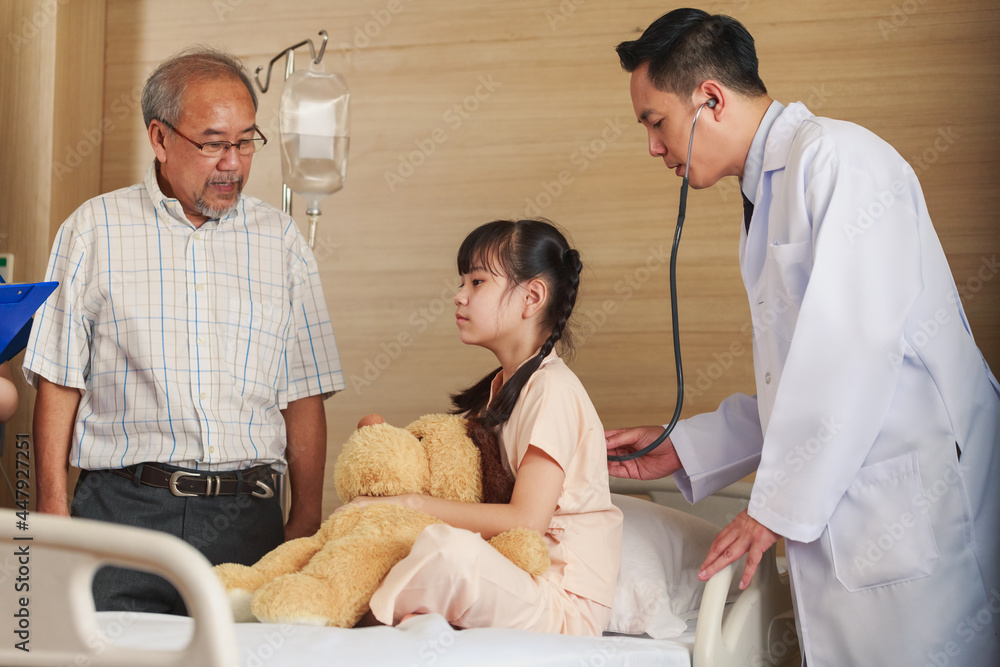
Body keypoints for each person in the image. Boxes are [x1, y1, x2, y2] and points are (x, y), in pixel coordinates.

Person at [604, 9, 1000, 666]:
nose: (653, 146)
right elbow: (799, 388)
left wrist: (775, 509)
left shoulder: (841, 161)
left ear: (709, 99)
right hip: (868, 509)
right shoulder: (771, 191)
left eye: (655, 122)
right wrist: (686, 447)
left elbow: (853, 352)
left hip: (916, 504)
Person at [23, 48, 345, 614]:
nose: (233, 163)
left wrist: (305, 519)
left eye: (245, 142)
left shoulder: (282, 243)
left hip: (250, 520)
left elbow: (304, 393)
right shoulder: (93, 231)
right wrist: (51, 513)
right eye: (213, 142)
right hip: (122, 517)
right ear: (160, 138)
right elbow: (58, 382)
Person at [351, 219, 622, 636]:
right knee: (404, 546)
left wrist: (407, 505)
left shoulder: (554, 390)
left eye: (477, 282)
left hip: (561, 601)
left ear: (531, 297)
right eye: (463, 282)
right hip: (518, 576)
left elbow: (526, 520)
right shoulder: (503, 388)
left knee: (450, 552)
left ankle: (345, 624)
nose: (459, 296)